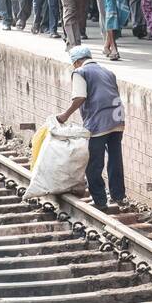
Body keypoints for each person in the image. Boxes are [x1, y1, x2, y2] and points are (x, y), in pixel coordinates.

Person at [57, 47, 126, 212]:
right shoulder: (107, 71)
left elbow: (80, 97)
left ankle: (100, 201)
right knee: (115, 159)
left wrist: (65, 115)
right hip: (117, 119)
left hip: (98, 122)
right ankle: (118, 196)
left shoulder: (80, 72)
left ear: (76, 61)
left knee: (93, 163)